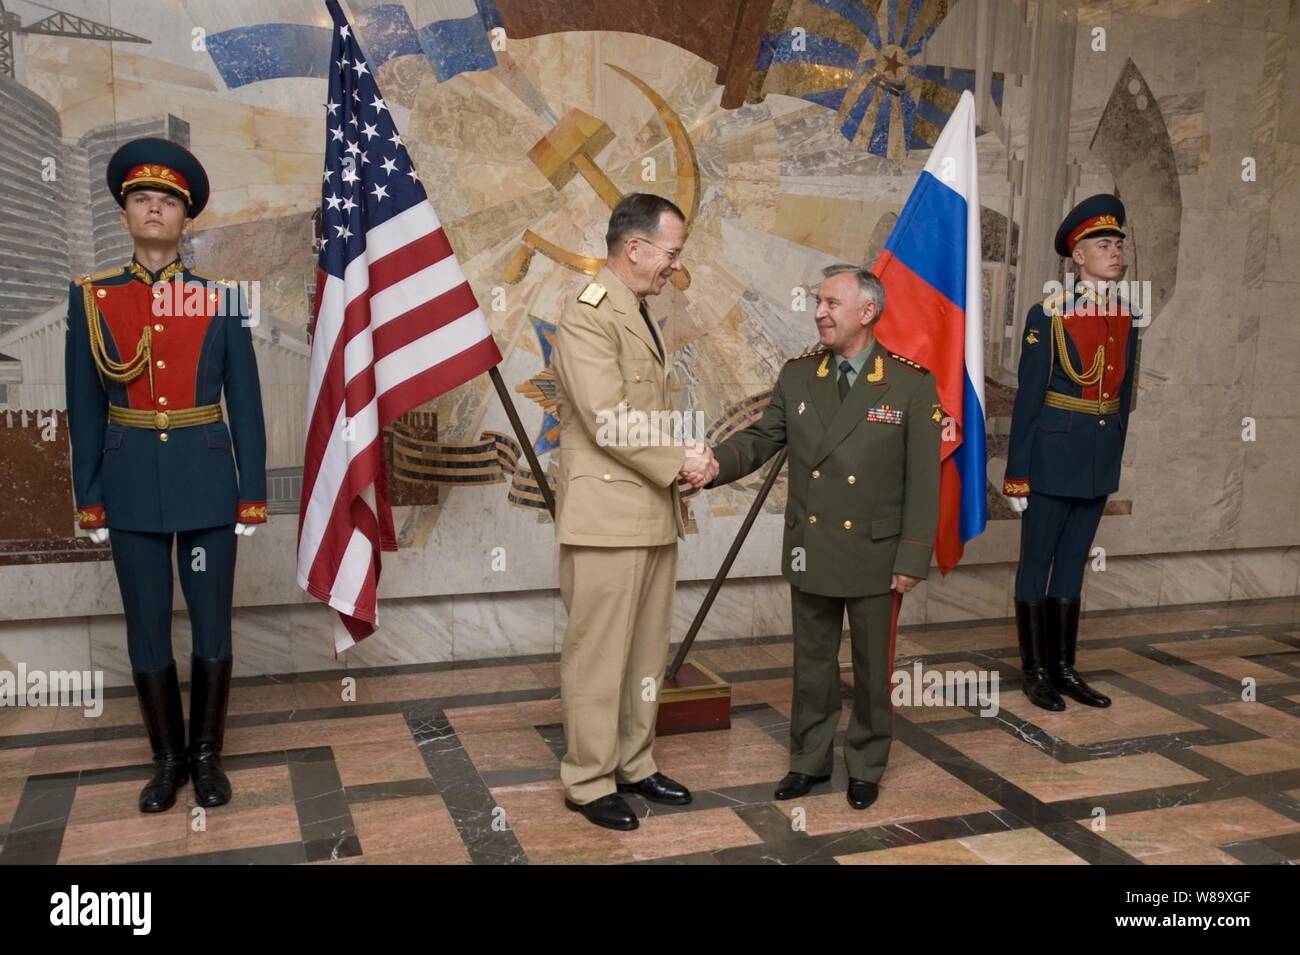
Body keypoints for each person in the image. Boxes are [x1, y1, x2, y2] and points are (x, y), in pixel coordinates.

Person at [64, 137, 267, 812]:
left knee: (212, 625)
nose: (154, 210)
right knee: (146, 625)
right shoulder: (91, 299)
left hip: (207, 483)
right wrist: (88, 499)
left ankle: (208, 756)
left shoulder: (225, 300)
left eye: (168, 202)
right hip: (128, 490)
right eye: (141, 200)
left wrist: (252, 493)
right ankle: (167, 760)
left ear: (186, 220)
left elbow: (249, 404)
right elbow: (86, 407)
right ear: (125, 215)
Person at [707, 264, 940, 810]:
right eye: (818, 301)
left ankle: (866, 762)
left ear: (867, 311)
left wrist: (913, 557)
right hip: (812, 545)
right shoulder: (798, 376)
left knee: (870, 669)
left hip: (877, 553)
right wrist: (711, 465)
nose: (819, 312)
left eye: (832, 303)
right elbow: (762, 439)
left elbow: (924, 482)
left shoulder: (910, 382)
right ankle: (808, 760)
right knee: (812, 665)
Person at [550, 193, 715, 831]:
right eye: (671, 252)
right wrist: (683, 459)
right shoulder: (588, 312)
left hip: (647, 509)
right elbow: (608, 418)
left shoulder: (637, 309)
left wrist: (685, 457)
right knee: (598, 655)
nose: (675, 264)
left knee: (646, 652)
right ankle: (588, 781)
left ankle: (634, 762)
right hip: (605, 516)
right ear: (636, 248)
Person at [1002, 194, 1139, 711]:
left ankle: (1064, 668)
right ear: (1077, 256)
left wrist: (1114, 455)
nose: (1115, 253)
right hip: (1051, 459)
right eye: (1103, 245)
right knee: (1036, 563)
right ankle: (1035, 671)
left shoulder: (1127, 315)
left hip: (1097, 460)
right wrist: (1017, 475)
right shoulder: (1050, 315)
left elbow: (1123, 397)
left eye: (1118, 245)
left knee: (1074, 565)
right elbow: (1029, 397)